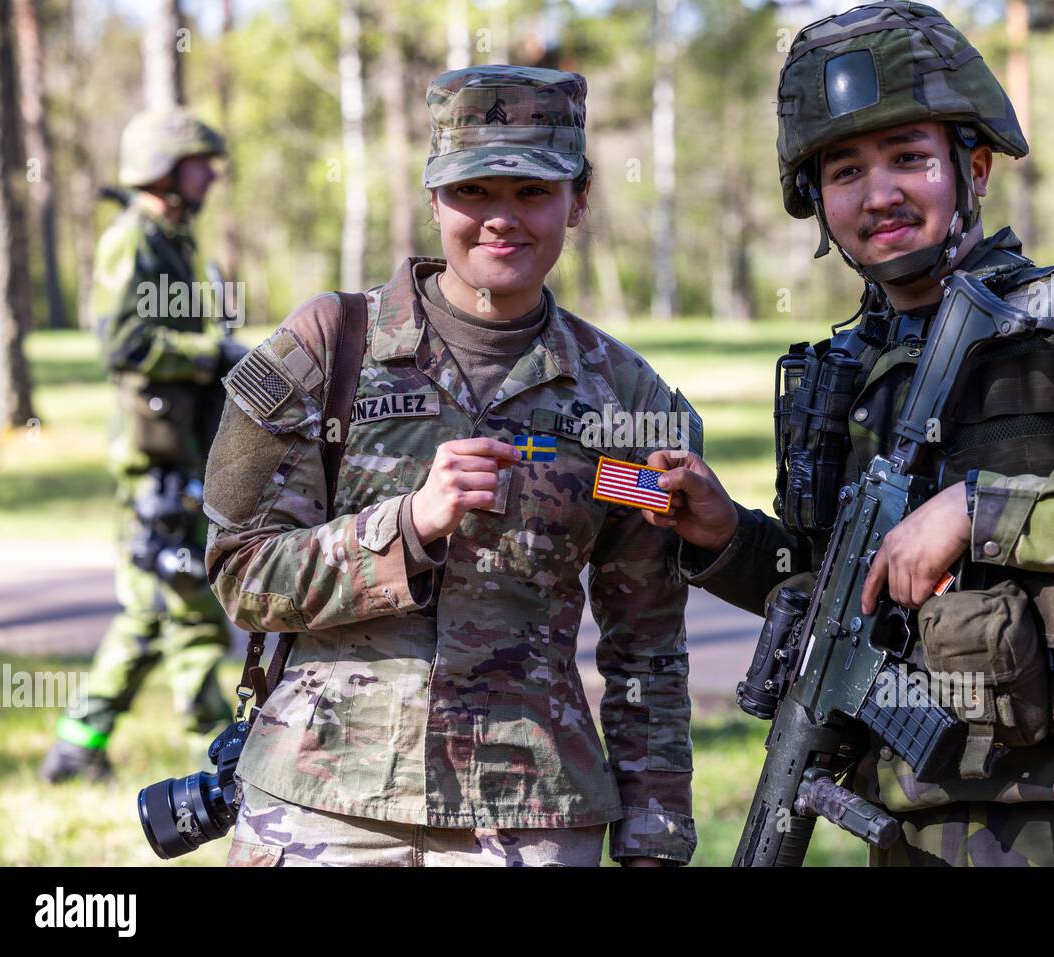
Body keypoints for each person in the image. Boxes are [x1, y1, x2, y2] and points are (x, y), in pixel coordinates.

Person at [647, 1, 1054, 866]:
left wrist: (978, 511)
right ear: (816, 201)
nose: (879, 193)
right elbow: (845, 598)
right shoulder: (846, 373)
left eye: (908, 159)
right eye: (845, 171)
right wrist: (725, 538)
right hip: (917, 838)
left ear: (973, 168)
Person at [202, 65, 699, 866]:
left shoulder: (626, 399)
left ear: (578, 201)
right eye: (474, 192)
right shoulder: (326, 350)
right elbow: (239, 574)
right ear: (433, 198)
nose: (501, 220)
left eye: (532, 192)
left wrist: (655, 836)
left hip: (532, 810)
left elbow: (646, 642)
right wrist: (405, 527)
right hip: (323, 803)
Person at [41, 109, 239, 783]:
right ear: (165, 169)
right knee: (182, 602)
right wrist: (212, 354)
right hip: (153, 459)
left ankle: (78, 747)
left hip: (179, 451)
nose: (211, 174)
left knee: (157, 606)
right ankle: (221, 753)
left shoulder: (171, 239)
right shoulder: (133, 240)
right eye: (199, 163)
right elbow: (125, 344)